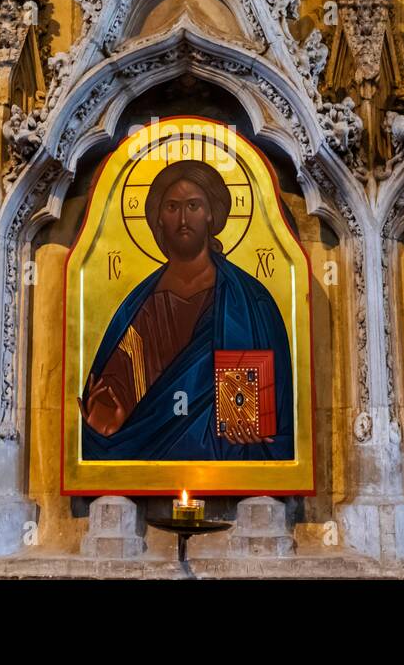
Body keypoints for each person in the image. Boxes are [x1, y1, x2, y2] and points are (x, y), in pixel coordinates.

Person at [80, 159, 293, 460]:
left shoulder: (249, 300)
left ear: (211, 214)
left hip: (228, 463)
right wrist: (108, 423)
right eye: (172, 207)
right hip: (145, 460)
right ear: (159, 219)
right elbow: (112, 399)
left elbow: (268, 417)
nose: (182, 218)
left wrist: (255, 427)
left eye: (193, 206)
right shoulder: (138, 306)